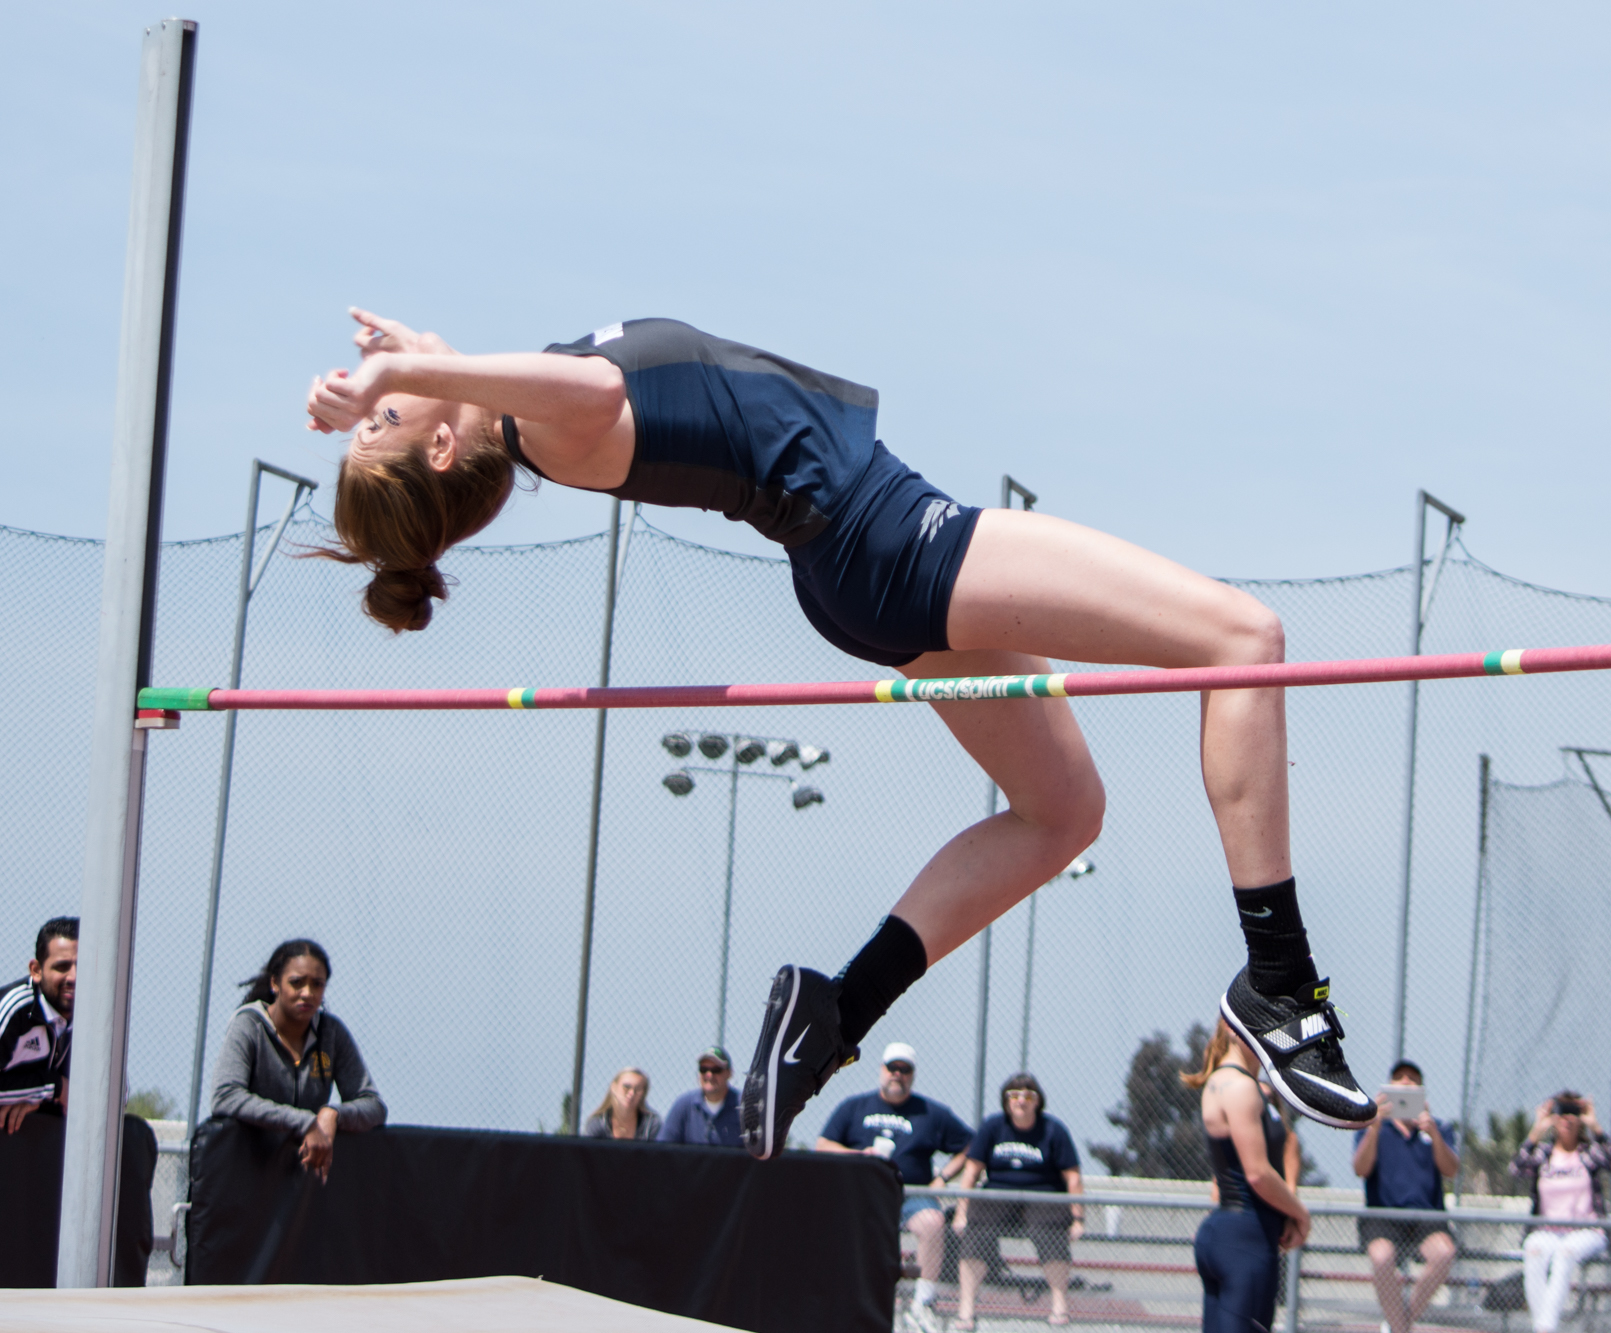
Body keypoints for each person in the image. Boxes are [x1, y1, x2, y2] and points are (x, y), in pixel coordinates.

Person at [303, 309, 1376, 1160]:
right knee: (1244, 637)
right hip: (887, 541)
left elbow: (463, 368)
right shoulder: (554, 422)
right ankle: (1280, 980)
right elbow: (586, 385)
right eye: (382, 420)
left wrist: (408, 359)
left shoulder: (512, 410)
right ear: (444, 440)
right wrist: (401, 380)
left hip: (857, 553)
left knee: (1062, 812)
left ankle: (832, 1014)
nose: (379, 400)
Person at [816, 1043, 971, 1332]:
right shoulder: (855, 1106)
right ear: (881, 1070)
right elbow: (823, 1145)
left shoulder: (931, 1113)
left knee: (933, 1222)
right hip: (863, 1195)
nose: (897, 1074)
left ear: (912, 1075)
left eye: (905, 1069)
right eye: (892, 1068)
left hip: (910, 1194)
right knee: (838, 1225)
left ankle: (922, 1304)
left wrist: (943, 1178)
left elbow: (971, 1145)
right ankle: (845, 1296)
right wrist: (860, 1157)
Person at [211, 939, 386, 1182]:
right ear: (275, 983)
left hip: (301, 1191)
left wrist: (332, 1114)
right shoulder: (249, 1026)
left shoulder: (332, 1033)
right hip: (244, 1180)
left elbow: (374, 1105)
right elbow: (226, 1096)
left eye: (317, 984)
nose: (307, 993)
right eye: (296, 983)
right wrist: (304, 1122)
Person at [1182, 1019, 1311, 1333]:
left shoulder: (1229, 1082)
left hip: (1227, 1234)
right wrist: (1300, 1214)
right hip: (1245, 1238)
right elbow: (1257, 1174)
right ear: (1232, 1029)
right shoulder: (1240, 1087)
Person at [953, 1073, 1086, 1328]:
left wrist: (1078, 1218)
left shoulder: (1053, 1130)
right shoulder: (993, 1126)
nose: (1021, 1101)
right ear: (1006, 1101)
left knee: (1051, 1233)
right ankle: (966, 1308)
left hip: (1042, 1195)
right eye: (1014, 1095)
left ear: (1038, 1101)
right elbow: (971, 1172)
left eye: (1028, 1096)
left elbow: (1073, 1178)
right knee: (976, 1230)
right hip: (998, 1193)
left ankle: (1059, 1305)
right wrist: (961, 1213)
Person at [1352, 1059, 1458, 1333]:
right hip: (1383, 1215)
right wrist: (1374, 1127)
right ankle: (1401, 1327)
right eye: (1400, 1078)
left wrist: (1433, 1133)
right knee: (1381, 1257)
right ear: (1389, 1087)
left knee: (1444, 1253)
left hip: (1426, 1217)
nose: (1406, 1083)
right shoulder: (1372, 1126)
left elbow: (1451, 1170)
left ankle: (1399, 1325)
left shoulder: (1439, 1128)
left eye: (1413, 1079)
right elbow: (1360, 1169)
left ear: (1422, 1089)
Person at [1510, 1091, 1611, 1333]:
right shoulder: (1544, 1154)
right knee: (1533, 1250)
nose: (1567, 1119)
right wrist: (1537, 1130)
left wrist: (1595, 1126)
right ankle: (1543, 1327)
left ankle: (1544, 1328)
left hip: (1586, 1230)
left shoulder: (1587, 1153)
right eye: (1562, 1113)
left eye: (1574, 1113)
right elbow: (1515, 1168)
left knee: (1565, 1254)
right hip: (1549, 1230)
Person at [1, 917, 77, 1134]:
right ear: (36, 970)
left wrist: (37, 1100)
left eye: (84, 965)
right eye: (62, 967)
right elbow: (63, 1091)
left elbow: (119, 1096)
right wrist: (55, 1087)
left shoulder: (98, 1019)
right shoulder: (16, 1008)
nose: (74, 977)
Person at [656, 1046, 743, 1147]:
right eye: (703, 1069)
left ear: (729, 1073)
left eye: (716, 1070)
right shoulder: (684, 1105)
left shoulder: (743, 1105)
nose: (709, 1075)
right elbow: (663, 1148)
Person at [582, 1067, 661, 1140]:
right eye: (626, 1087)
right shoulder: (598, 1123)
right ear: (614, 1087)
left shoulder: (651, 1124)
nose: (631, 1093)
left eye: (638, 1089)